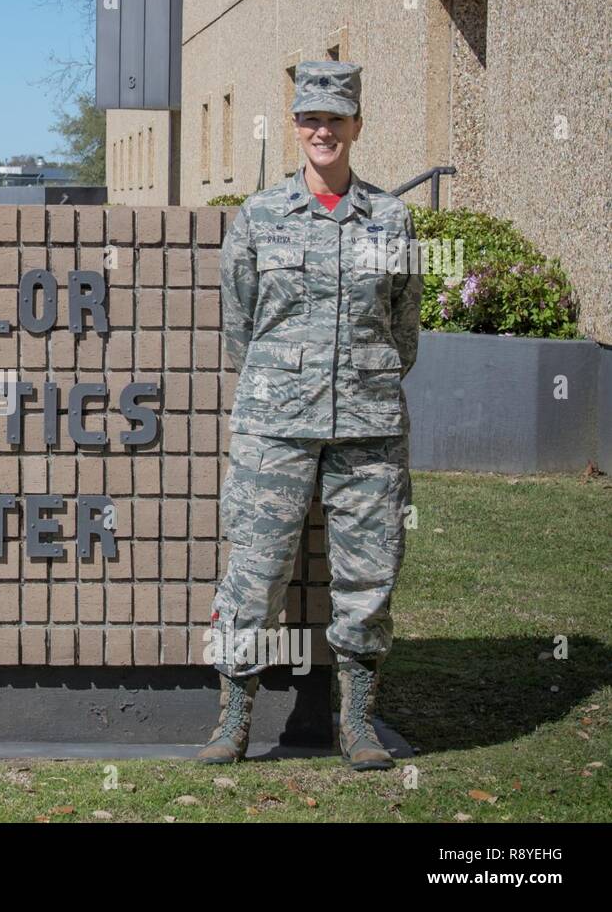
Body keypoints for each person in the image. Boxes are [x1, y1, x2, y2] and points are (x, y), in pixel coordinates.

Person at [200, 61, 422, 770]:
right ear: (296, 128)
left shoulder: (392, 218)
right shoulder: (261, 215)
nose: (322, 130)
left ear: (357, 126)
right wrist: (282, 382)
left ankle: (356, 723)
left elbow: (404, 330)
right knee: (255, 570)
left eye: (335, 118)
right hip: (274, 428)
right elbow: (240, 326)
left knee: (368, 576)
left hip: (368, 428)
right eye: (309, 119)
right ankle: (232, 721)